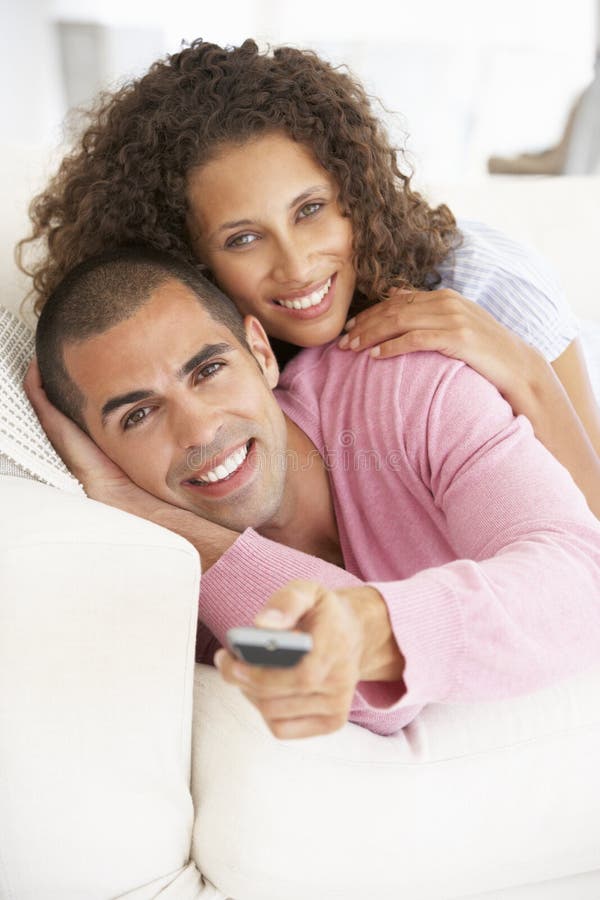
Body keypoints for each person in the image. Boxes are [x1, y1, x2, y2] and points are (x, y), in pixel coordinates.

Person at [27, 245, 600, 740]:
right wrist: (140, 509)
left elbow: (582, 579)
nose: (199, 430)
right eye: (140, 415)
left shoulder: (411, 386)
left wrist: (370, 629)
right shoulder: (148, 566)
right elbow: (356, 703)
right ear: (98, 449)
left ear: (260, 351)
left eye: (208, 371)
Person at [17, 39, 600, 516]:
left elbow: (590, 523)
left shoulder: (484, 282)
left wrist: (522, 368)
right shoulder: (202, 362)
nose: (296, 267)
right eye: (243, 239)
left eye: (310, 210)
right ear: (188, 258)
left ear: (354, 197)